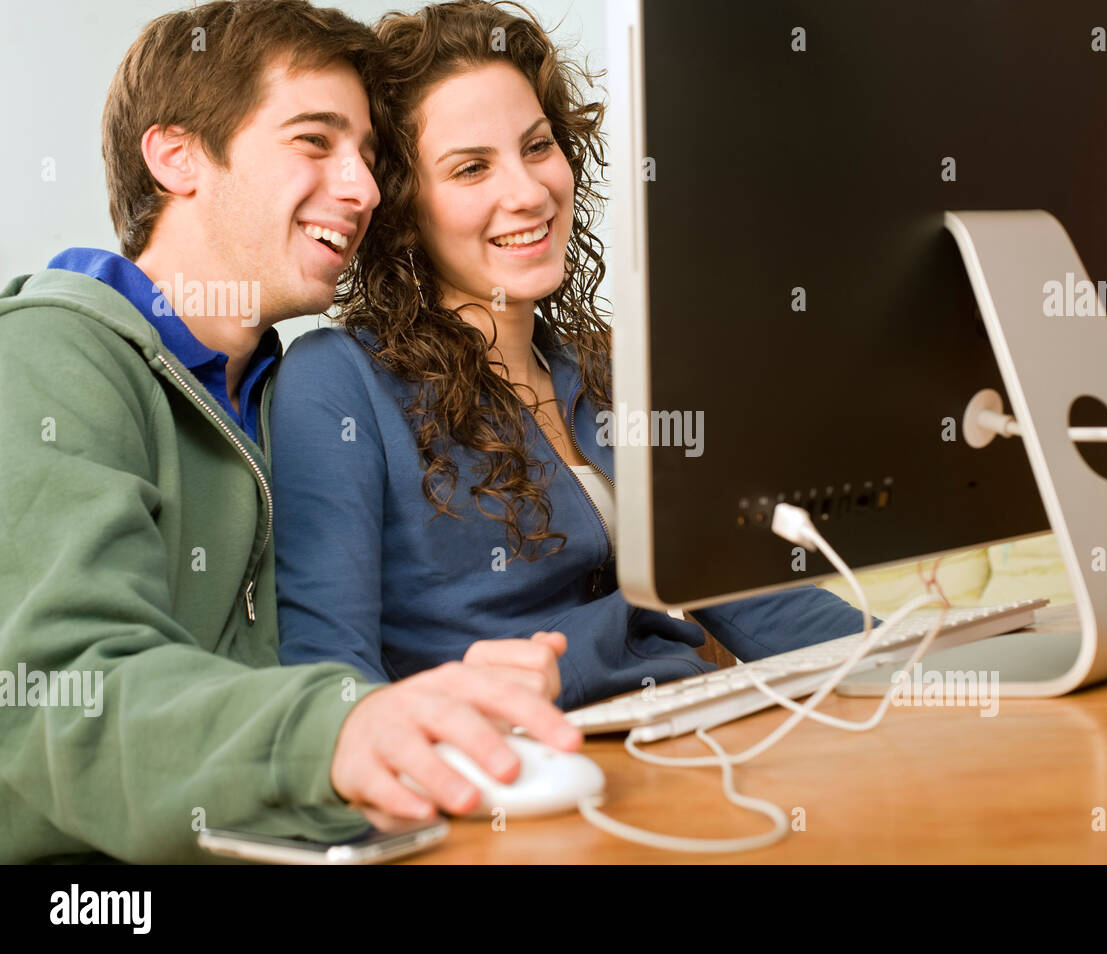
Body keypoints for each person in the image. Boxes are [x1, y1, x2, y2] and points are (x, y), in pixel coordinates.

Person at [0, 0, 578, 865]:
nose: (366, 189)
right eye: (315, 141)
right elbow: (63, 692)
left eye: (370, 157)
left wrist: (437, 700)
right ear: (177, 155)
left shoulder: (275, 393)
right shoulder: (46, 356)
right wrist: (334, 735)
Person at [270, 0, 878, 715]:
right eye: (471, 169)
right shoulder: (336, 380)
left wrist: (940, 651)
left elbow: (758, 604)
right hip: (521, 777)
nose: (528, 193)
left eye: (536, 147)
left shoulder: (611, 374)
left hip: (692, 734)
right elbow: (330, 673)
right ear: (403, 209)